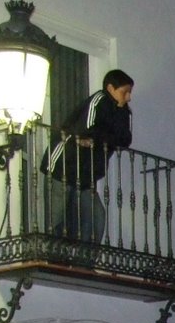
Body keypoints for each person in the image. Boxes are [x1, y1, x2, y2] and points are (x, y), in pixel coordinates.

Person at [45, 69, 133, 243]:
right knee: (58, 212)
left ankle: (86, 256)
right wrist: (102, 139)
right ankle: (48, 250)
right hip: (65, 164)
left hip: (86, 173)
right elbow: (85, 130)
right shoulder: (99, 100)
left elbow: (125, 139)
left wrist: (98, 140)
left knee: (96, 216)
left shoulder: (123, 111)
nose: (128, 97)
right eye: (125, 92)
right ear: (111, 88)